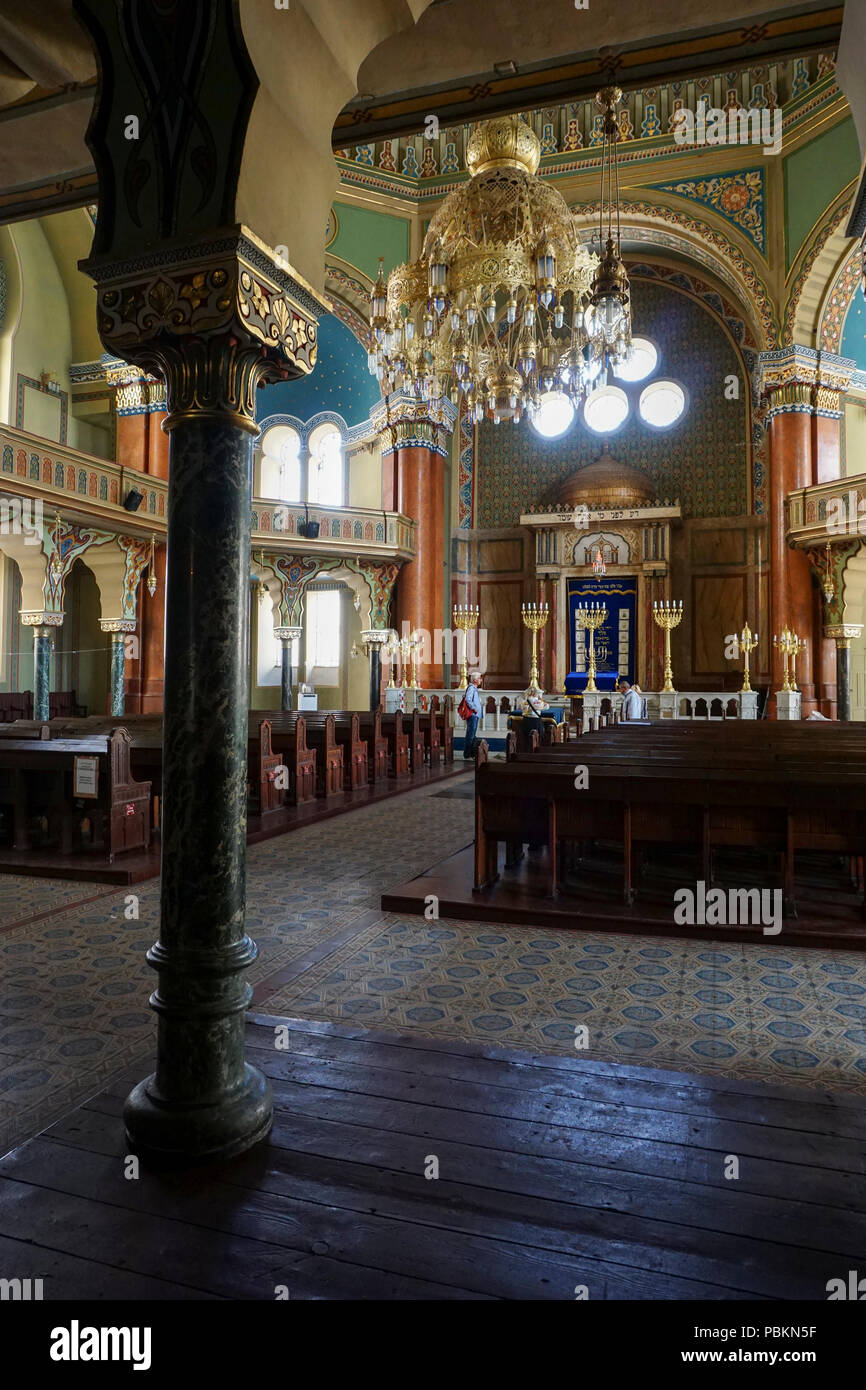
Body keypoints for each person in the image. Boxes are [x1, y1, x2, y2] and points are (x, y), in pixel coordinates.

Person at [461, 670, 483, 760]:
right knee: (470, 734)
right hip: (472, 715)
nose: (481, 680)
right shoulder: (471, 688)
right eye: (479, 678)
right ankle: (467, 754)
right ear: (475, 680)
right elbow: (468, 699)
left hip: (475, 715)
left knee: (472, 734)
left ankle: (470, 753)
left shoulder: (474, 688)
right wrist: (474, 708)